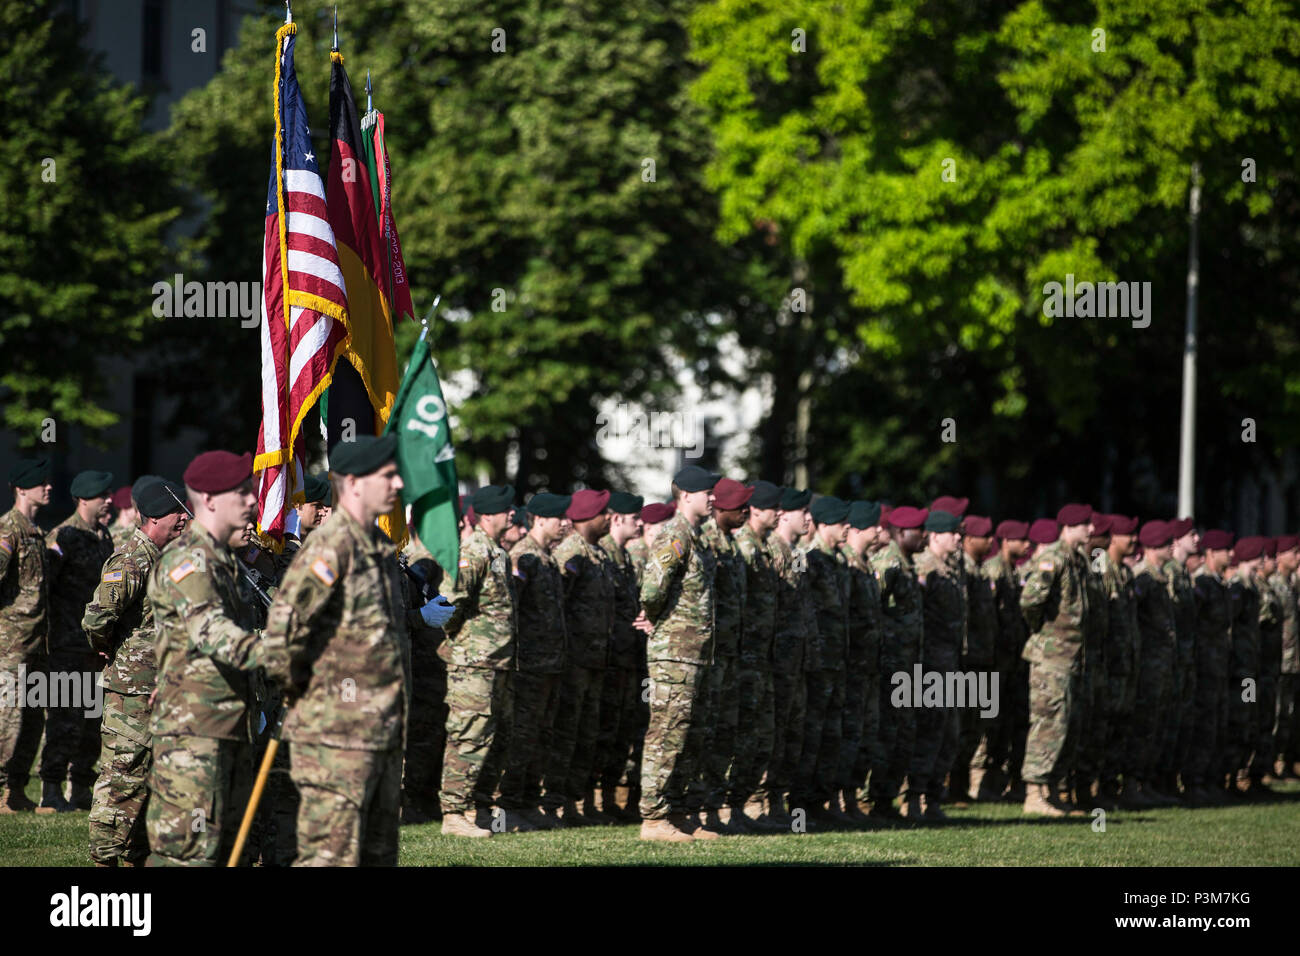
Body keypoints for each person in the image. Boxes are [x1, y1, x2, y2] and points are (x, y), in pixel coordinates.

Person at [262, 434, 452, 865]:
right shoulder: (330, 549)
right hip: (335, 738)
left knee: (377, 853)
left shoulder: (378, 548)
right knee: (334, 855)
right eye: (387, 476)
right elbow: (281, 639)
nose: (397, 485)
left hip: (380, 731)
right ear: (351, 482)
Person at [145, 450, 275, 865]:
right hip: (194, 737)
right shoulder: (189, 561)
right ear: (210, 499)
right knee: (189, 855)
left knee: (226, 852)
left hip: (228, 728)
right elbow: (214, 635)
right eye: (241, 492)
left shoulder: (224, 562)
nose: (253, 500)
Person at [83, 476, 188, 865]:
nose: (183, 519)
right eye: (177, 512)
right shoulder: (132, 559)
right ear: (156, 516)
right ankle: (105, 859)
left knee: (151, 783)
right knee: (121, 781)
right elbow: (96, 619)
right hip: (131, 696)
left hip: (162, 690)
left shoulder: (166, 557)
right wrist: (109, 650)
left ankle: (135, 857)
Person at [637, 465, 719, 842]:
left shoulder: (695, 536)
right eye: (707, 491)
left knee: (688, 735)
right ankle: (653, 818)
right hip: (674, 652)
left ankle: (679, 812)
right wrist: (658, 621)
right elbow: (652, 589)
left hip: (695, 652)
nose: (714, 497)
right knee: (666, 733)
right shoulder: (675, 534)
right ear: (686, 495)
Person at [439, 484, 518, 837]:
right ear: (487, 515)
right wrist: (464, 645)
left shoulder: (497, 551)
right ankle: (453, 813)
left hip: (497, 663)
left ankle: (480, 809)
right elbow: (448, 604)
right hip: (473, 664)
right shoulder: (472, 551)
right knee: (467, 736)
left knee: (492, 738)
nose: (513, 514)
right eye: (506, 509)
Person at [40, 469, 115, 812]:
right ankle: (52, 789)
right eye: (103, 496)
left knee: (92, 720)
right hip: (66, 643)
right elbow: (45, 590)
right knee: (63, 720)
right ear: (84, 499)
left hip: (95, 646)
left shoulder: (105, 537)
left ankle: (81, 787)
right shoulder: (62, 537)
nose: (109, 500)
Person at [500, 492, 570, 829]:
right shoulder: (524, 557)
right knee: (523, 735)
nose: (566, 523)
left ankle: (529, 802)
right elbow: (513, 609)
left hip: (550, 664)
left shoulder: (545, 557)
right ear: (540, 520)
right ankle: (511, 805)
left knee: (542, 736)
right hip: (528, 665)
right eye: (560, 517)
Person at [1019, 504, 1093, 817]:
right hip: (1051, 657)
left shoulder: (1078, 561)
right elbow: (1031, 600)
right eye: (1085, 524)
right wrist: (1043, 631)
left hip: (1072, 657)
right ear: (1070, 526)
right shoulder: (1054, 557)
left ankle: (1051, 791)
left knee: (1066, 725)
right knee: (1048, 723)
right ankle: (1033, 794)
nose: (1091, 530)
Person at [549, 489, 616, 825]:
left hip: (595, 660)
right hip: (574, 660)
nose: (610, 518)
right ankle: (558, 803)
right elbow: (558, 603)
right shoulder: (570, 552)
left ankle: (576, 802)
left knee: (587, 734)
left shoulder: (598, 553)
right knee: (567, 733)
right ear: (590, 515)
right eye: (605, 512)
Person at [696, 478, 751, 833]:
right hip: (708, 654)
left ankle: (716, 809)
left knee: (726, 734)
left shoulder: (730, 544)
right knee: (704, 733)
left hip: (731, 654)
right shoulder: (705, 541)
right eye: (741, 506)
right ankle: (698, 810)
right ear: (722, 508)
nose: (746, 511)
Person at [0, 458, 54, 814]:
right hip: (11, 645)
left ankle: (15, 791)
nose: (48, 487)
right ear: (22, 489)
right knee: (8, 718)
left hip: (37, 642)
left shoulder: (35, 531)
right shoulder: (9, 530)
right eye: (40, 483)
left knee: (32, 719)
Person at [728, 480, 782, 829]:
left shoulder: (762, 547)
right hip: (743, 657)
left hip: (761, 657)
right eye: (773, 506)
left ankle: (748, 806)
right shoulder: (744, 547)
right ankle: (728, 807)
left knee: (759, 736)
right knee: (739, 734)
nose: (779, 512)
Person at [907, 509, 966, 822]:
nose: (959, 537)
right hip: (930, 663)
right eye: (953, 532)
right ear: (936, 535)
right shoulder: (924, 567)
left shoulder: (951, 568)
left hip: (950, 661)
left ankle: (933, 796)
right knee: (929, 732)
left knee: (948, 734)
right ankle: (913, 797)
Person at [869, 505, 927, 821]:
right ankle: (870, 799)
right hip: (890, 664)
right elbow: (871, 606)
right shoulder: (888, 562)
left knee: (903, 734)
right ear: (902, 532)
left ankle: (885, 800)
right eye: (919, 530)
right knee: (886, 733)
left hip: (906, 664)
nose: (924, 536)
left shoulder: (905, 564)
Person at [797, 494, 851, 827]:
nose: (848, 527)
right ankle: (800, 806)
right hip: (816, 662)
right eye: (841, 522)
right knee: (810, 734)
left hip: (836, 661)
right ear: (825, 524)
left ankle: (820, 801)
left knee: (830, 736)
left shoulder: (836, 560)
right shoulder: (811, 558)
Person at [971, 519, 1030, 802]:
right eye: (1022, 539)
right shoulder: (993, 570)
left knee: (1004, 723)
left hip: (1007, 661)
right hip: (992, 660)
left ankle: (993, 784)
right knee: (987, 723)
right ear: (1007, 541)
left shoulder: (1009, 571)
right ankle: (976, 783)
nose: (1027, 544)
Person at [765, 487, 814, 826]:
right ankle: (759, 804)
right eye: (802, 512)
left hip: (796, 660)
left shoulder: (796, 553)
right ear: (784, 515)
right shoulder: (773, 551)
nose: (809, 518)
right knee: (771, 732)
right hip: (775, 660)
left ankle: (778, 805)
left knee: (791, 735)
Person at [597, 491, 645, 822]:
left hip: (626, 658)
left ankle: (610, 800)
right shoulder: (605, 556)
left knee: (620, 732)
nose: (640, 523)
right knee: (600, 731)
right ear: (617, 519)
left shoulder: (623, 558)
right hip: (607, 659)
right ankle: (592, 800)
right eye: (634, 518)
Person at [1125, 519, 1179, 807]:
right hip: (1146, 664)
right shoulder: (1142, 577)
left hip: (1161, 664)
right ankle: (1131, 783)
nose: (1174, 547)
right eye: (1168, 542)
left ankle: (1145, 782)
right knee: (1142, 724)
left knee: (1156, 725)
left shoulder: (1159, 577)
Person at [1185, 529, 1233, 804]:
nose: (1232, 554)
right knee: (1202, 724)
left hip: (1218, 665)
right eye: (1226, 549)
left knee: (1216, 723)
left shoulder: (1219, 584)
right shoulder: (1201, 584)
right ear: (1212, 553)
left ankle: (1211, 780)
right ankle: (1194, 782)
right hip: (1202, 664)